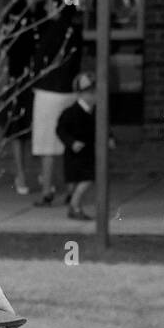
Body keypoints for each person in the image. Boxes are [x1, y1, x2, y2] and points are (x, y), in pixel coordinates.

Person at [30, 0, 83, 205]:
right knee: (67, 142)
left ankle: (46, 191)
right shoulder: (75, 31)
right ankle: (70, 190)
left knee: (46, 145)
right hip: (69, 91)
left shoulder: (49, 30)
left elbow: (38, 59)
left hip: (48, 91)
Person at [2, 0, 39, 194]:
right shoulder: (15, 12)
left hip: (39, 79)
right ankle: (21, 173)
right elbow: (7, 44)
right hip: (19, 77)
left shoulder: (43, 11)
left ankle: (39, 172)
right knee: (19, 126)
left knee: (37, 127)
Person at [55, 71, 101, 220]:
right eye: (91, 93)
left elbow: (103, 127)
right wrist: (71, 142)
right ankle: (74, 206)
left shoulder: (96, 113)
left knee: (84, 181)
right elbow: (60, 130)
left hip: (88, 153)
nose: (94, 96)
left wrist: (109, 138)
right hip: (75, 155)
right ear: (81, 94)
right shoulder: (70, 112)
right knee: (84, 180)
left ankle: (75, 206)